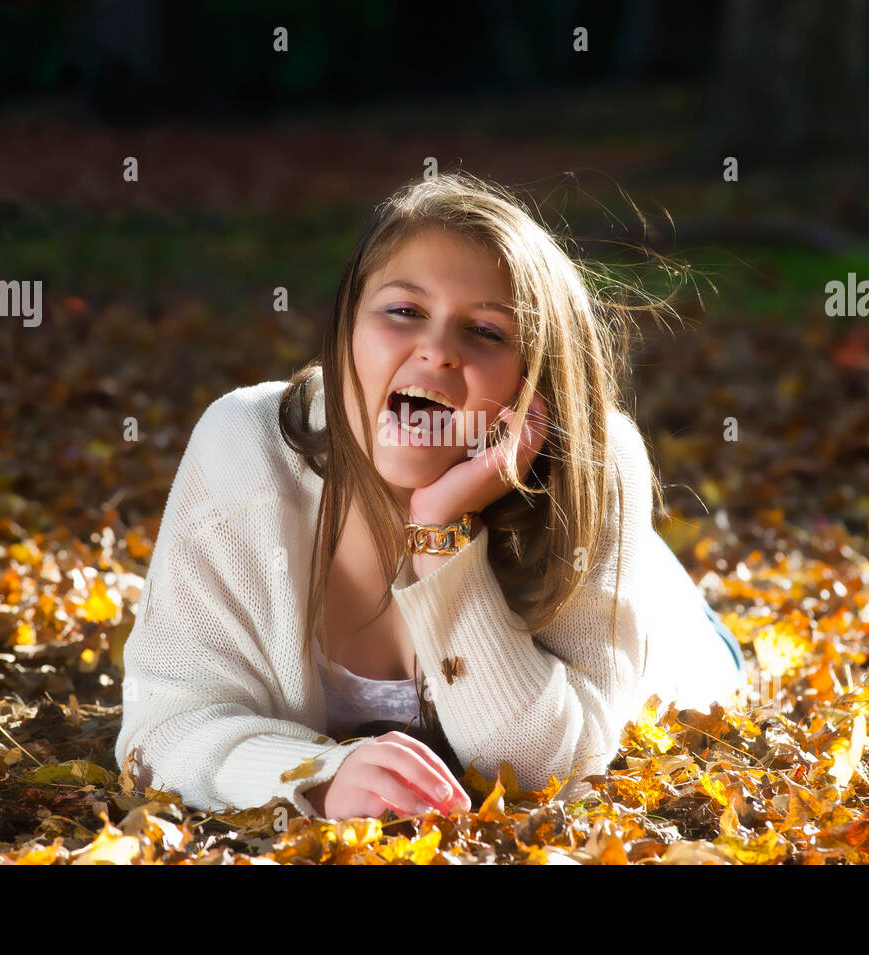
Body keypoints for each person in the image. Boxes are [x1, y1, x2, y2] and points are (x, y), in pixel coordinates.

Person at [114, 171, 746, 822]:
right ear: (346, 333)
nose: (437, 350)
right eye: (405, 311)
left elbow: (547, 769)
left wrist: (442, 531)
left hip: (672, 637)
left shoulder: (592, 463)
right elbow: (163, 728)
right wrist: (319, 776)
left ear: (534, 378)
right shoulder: (245, 446)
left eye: (488, 332)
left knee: (684, 617)